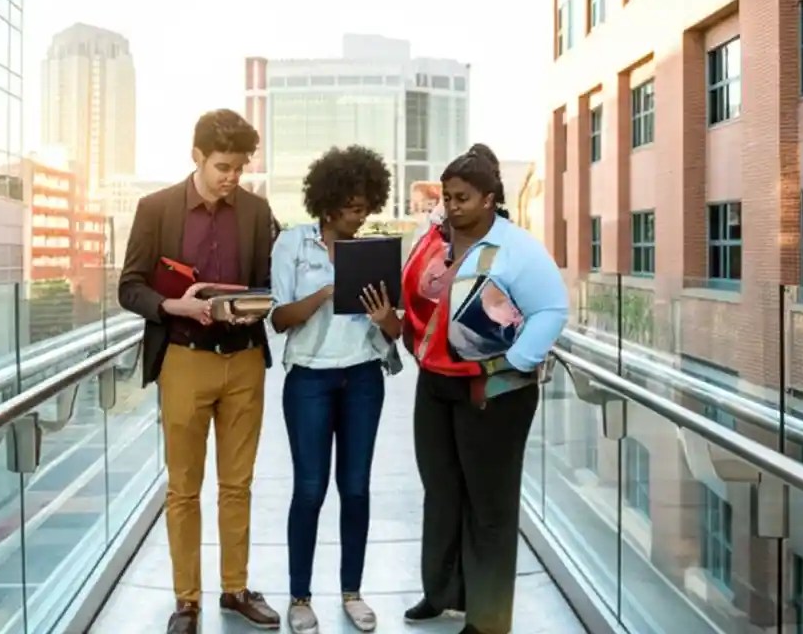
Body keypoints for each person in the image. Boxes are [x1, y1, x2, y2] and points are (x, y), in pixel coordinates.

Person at [361, 144, 569, 634]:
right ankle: (443, 593)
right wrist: (393, 324)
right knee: (442, 492)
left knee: (490, 508)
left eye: (463, 198)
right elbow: (428, 312)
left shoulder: (516, 248)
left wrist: (503, 369)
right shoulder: (435, 241)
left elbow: (552, 311)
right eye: (448, 197)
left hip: (493, 394)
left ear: (491, 199)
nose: (453, 206)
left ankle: (489, 620)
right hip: (436, 386)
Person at [118, 109, 281, 634]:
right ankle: (186, 601)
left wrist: (252, 304)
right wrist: (174, 307)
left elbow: (267, 283)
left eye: (239, 167)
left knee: (238, 485)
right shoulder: (156, 209)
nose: (232, 176)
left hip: (244, 361)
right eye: (223, 166)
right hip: (184, 360)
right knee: (183, 489)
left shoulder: (256, 212)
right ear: (197, 157)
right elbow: (131, 286)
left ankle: (235, 590)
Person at [268, 146, 400, 634]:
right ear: (326, 205)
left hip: (363, 376)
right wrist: (329, 290)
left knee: (357, 489)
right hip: (309, 379)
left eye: (366, 203)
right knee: (308, 489)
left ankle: (352, 592)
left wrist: (387, 319)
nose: (361, 212)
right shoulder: (293, 245)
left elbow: (394, 333)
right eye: (351, 204)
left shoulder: (373, 253)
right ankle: (300, 596)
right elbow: (280, 319)